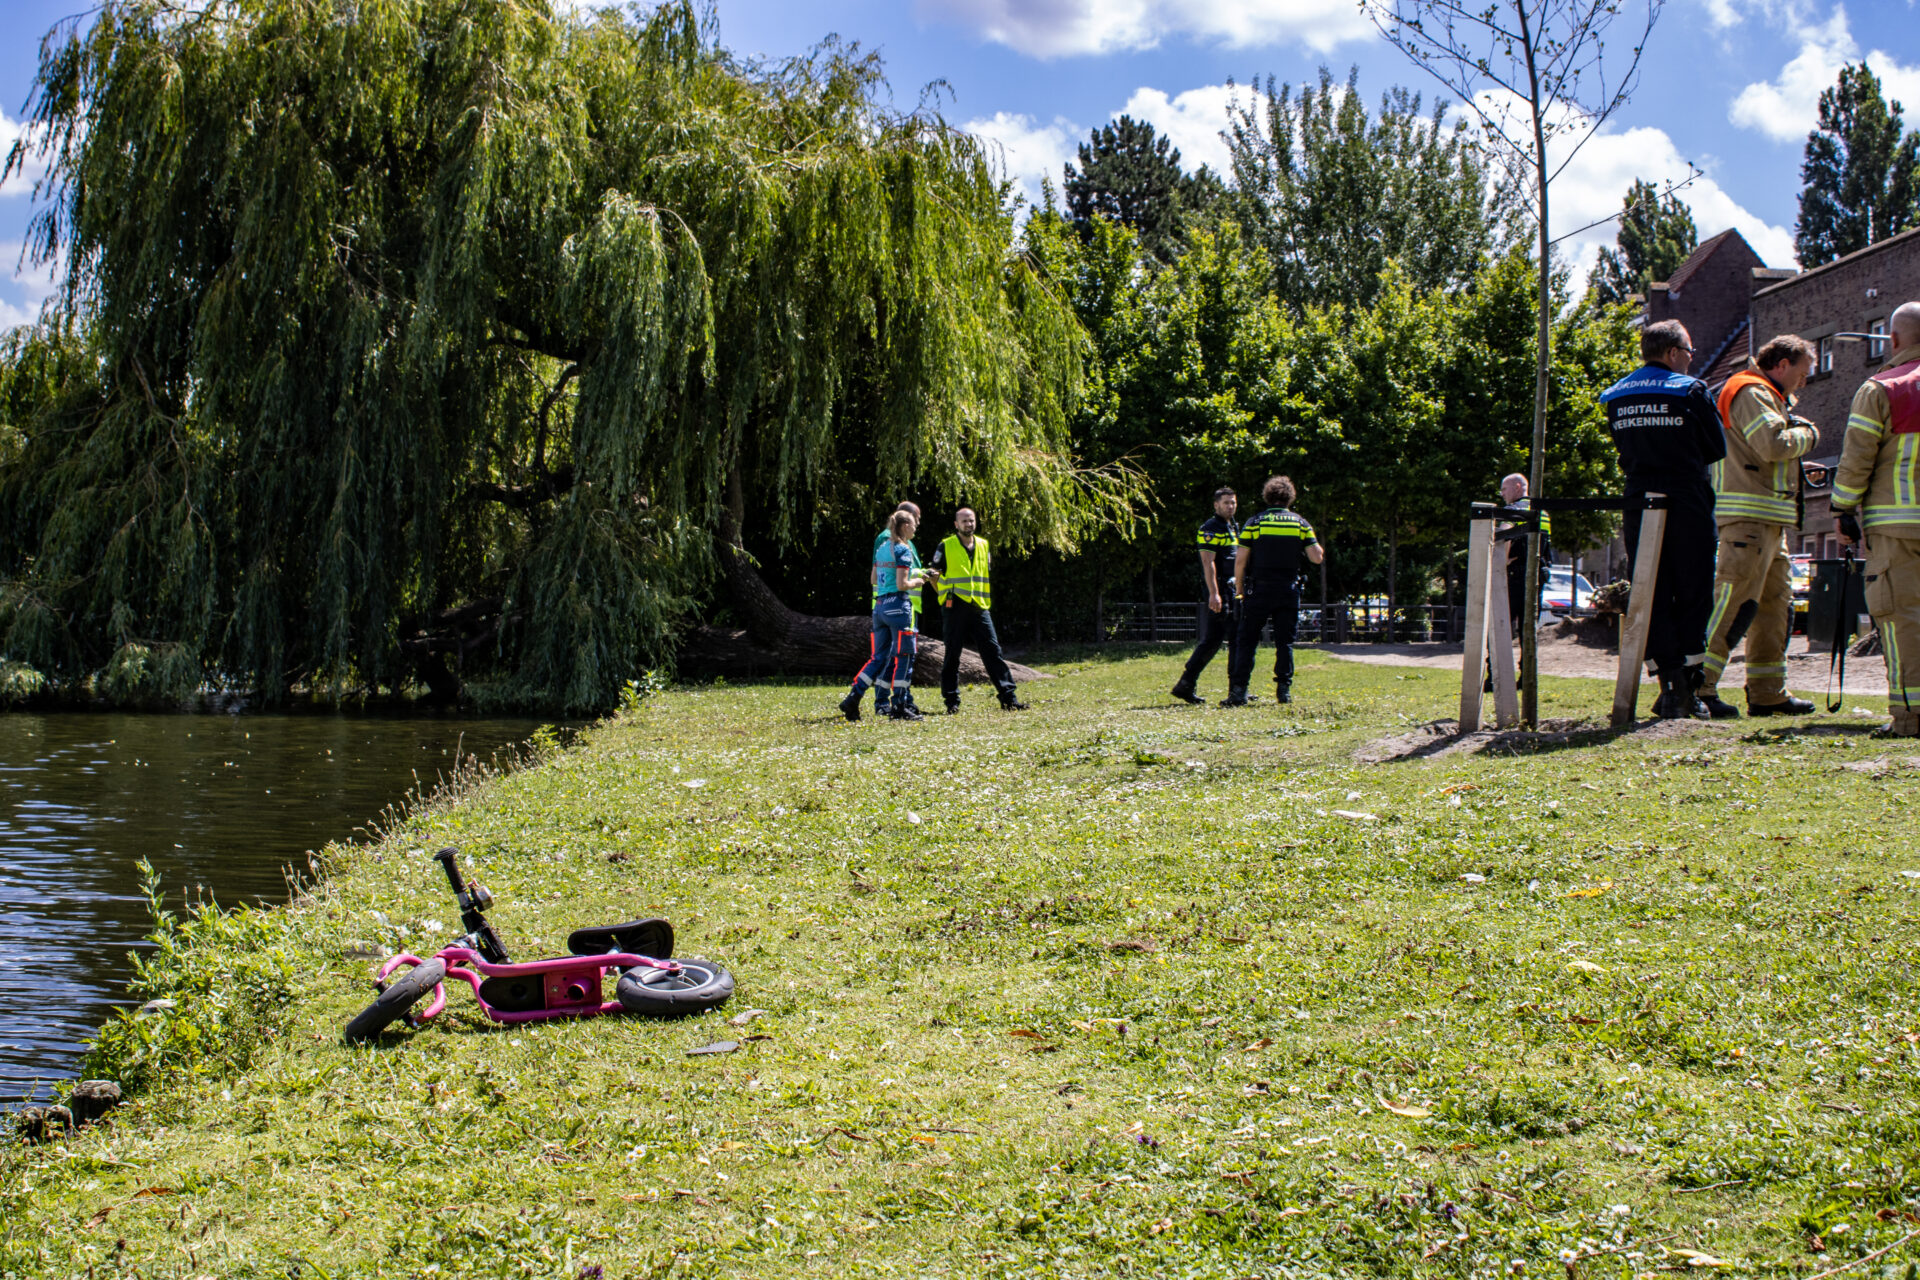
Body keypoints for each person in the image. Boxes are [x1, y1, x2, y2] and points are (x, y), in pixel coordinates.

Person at [1601, 319, 1727, 719]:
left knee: (1650, 588)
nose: (1691, 359)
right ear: (1673, 353)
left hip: (1639, 499)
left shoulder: (1616, 394)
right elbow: (1715, 448)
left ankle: (1668, 682)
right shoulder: (1691, 390)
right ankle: (1688, 685)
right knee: (1693, 587)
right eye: (1689, 352)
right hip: (1685, 496)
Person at [1697, 335, 1820, 719]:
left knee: (1773, 608)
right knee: (1732, 605)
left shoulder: (1764, 393)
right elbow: (1772, 444)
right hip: (1749, 521)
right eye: (1803, 372)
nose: (1805, 380)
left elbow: (1765, 454)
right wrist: (1810, 434)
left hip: (1768, 521)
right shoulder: (1751, 390)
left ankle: (1768, 693)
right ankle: (1697, 687)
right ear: (1781, 364)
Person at [1831, 300, 1920, 736]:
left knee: (1902, 618)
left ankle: (1910, 715)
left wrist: (1843, 510)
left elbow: (1856, 461)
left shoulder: (1882, 388)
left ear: (1895, 339)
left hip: (1897, 527)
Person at [1224, 475, 1323, 706]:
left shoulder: (1255, 522)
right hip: (1288, 590)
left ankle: (1239, 692)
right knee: (1284, 643)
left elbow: (1240, 559)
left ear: (1267, 496)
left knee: (1247, 640)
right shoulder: (1300, 523)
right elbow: (1316, 557)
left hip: (1258, 589)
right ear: (1290, 497)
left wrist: (1239, 587)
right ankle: (1283, 692)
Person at [841, 509, 937, 722]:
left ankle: (853, 698)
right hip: (898, 607)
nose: (915, 528)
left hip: (880, 608)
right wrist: (919, 581)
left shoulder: (882, 548)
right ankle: (899, 707)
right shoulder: (903, 550)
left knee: (877, 658)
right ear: (904, 526)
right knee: (905, 656)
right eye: (913, 524)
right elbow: (903, 584)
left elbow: (874, 579)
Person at [931, 507, 1027, 713]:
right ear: (956, 525)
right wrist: (943, 596)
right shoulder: (946, 545)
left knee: (993, 652)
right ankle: (952, 702)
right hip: (954, 605)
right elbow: (934, 574)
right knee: (952, 655)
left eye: (972, 521)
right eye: (964, 521)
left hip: (979, 606)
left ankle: (1009, 698)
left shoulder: (983, 545)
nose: (969, 524)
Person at [1171, 486, 1239, 704]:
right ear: (1216, 505)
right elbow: (1208, 563)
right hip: (1221, 591)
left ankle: (1186, 684)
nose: (1231, 506)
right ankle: (1236, 690)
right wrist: (1214, 594)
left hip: (1231, 589)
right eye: (1226, 503)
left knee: (1212, 640)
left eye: (1233, 502)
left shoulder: (1232, 526)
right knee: (1235, 638)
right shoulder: (1211, 528)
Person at [870, 501, 926, 718]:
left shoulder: (902, 541)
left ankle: (902, 701)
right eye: (916, 519)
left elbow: (907, 570)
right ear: (905, 519)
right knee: (892, 656)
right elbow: (895, 577)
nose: (918, 524)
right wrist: (915, 581)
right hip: (894, 605)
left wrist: (923, 572)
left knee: (901, 656)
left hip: (900, 604)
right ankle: (885, 702)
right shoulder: (891, 540)